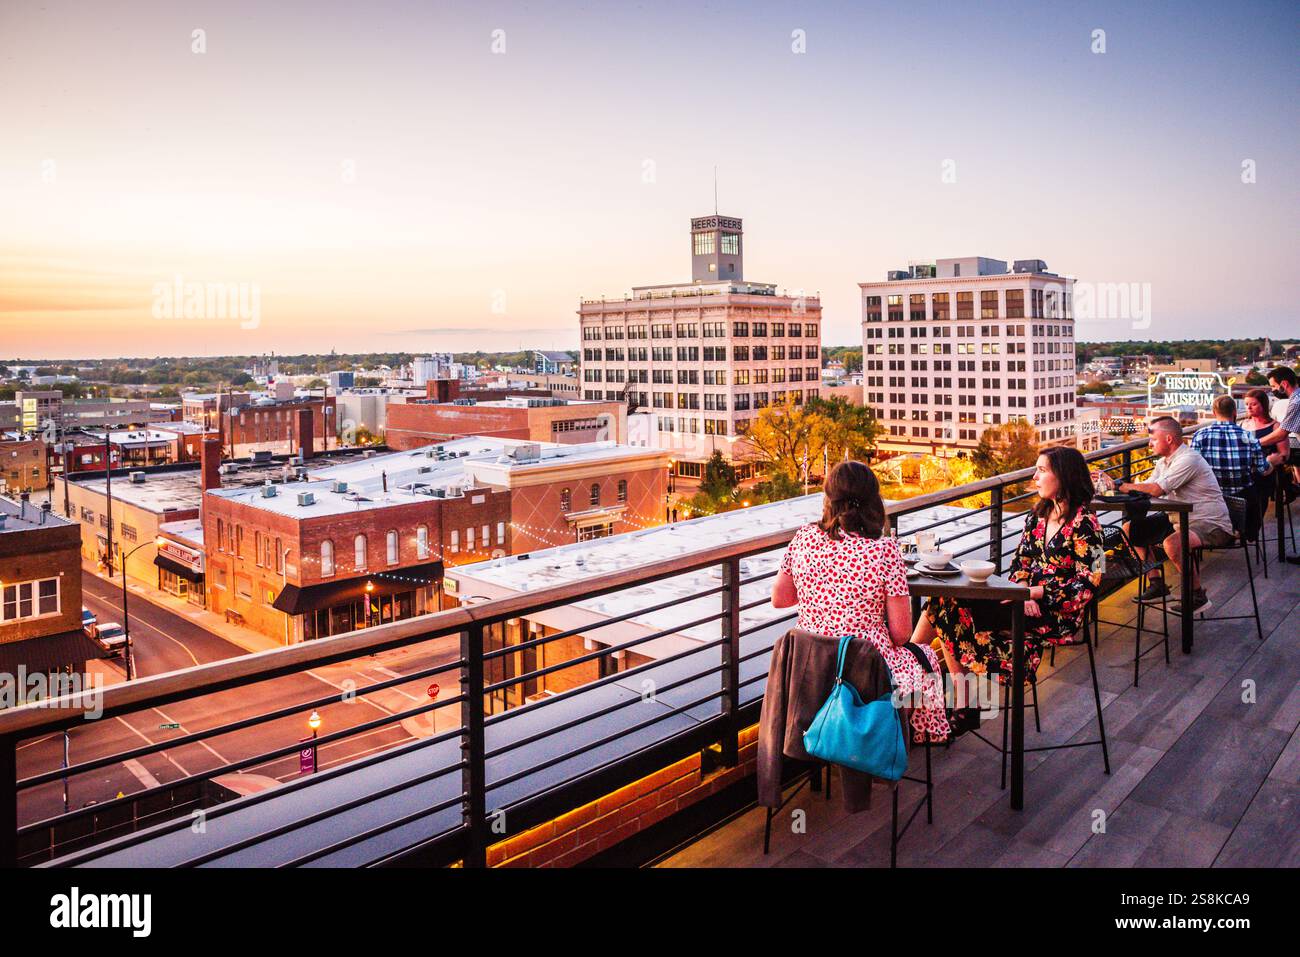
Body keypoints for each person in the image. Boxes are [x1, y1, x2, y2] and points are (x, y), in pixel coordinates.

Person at [910, 446, 1104, 729]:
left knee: (945, 610)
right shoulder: (1036, 517)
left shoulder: (1087, 523)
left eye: (1042, 470)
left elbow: (1091, 581)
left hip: (1057, 614)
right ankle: (946, 690)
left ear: (1064, 476)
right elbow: (1020, 563)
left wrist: (1035, 593)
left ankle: (911, 670)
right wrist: (1021, 588)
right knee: (943, 600)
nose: (1035, 476)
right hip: (1022, 602)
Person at [771, 460, 950, 743]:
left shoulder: (804, 537)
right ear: (873, 502)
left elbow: (780, 599)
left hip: (811, 670)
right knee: (925, 656)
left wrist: (821, 593)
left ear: (828, 500)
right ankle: (889, 742)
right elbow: (901, 635)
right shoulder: (884, 549)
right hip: (866, 671)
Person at [1118, 416, 1234, 613]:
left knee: (1173, 544)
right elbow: (1146, 488)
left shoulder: (1188, 459)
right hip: (1179, 518)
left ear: (1169, 439)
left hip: (1210, 523)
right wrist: (1120, 488)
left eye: (1153, 438)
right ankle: (1157, 584)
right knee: (1130, 529)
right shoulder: (1164, 462)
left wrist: (1120, 485)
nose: (1149, 443)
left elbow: (1156, 490)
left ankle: (1197, 596)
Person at [1189, 394, 1275, 497]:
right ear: (1235, 412)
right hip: (1242, 497)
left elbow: (1192, 467)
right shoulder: (1248, 436)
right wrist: (1271, 461)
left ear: (1214, 413)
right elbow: (1263, 470)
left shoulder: (1199, 435)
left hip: (1211, 496)